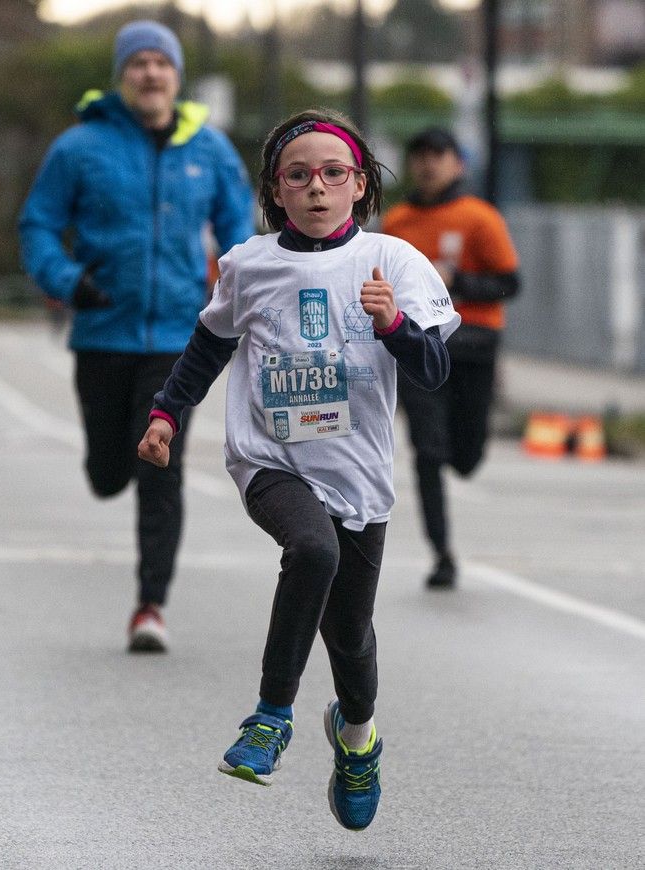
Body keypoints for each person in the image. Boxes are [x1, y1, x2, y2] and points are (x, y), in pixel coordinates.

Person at [137, 109, 459, 829]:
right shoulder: (249, 264)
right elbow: (207, 346)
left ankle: (357, 738)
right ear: (275, 191)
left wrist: (395, 328)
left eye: (334, 173)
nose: (317, 188)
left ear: (361, 187)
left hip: (359, 477)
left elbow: (435, 372)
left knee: (351, 637)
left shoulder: (395, 263)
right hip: (269, 459)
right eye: (298, 175)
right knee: (309, 547)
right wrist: (165, 413)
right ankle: (271, 716)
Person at [19, 20, 255, 651]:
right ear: (123, 76)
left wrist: (232, 298)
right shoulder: (79, 148)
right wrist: (69, 281)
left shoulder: (209, 149)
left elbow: (242, 234)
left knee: (161, 467)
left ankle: (150, 605)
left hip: (179, 341)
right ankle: (110, 459)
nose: (151, 73)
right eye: (139, 63)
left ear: (176, 77)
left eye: (162, 63)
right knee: (108, 471)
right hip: (101, 332)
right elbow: (38, 225)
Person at [382, 127, 520, 589]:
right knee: (427, 452)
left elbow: (510, 284)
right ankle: (441, 552)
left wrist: (456, 280)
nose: (427, 164)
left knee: (466, 455)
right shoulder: (397, 221)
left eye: (437, 155)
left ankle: (460, 454)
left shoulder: (479, 218)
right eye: (419, 155)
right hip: (420, 347)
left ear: (458, 163)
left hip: (475, 346)